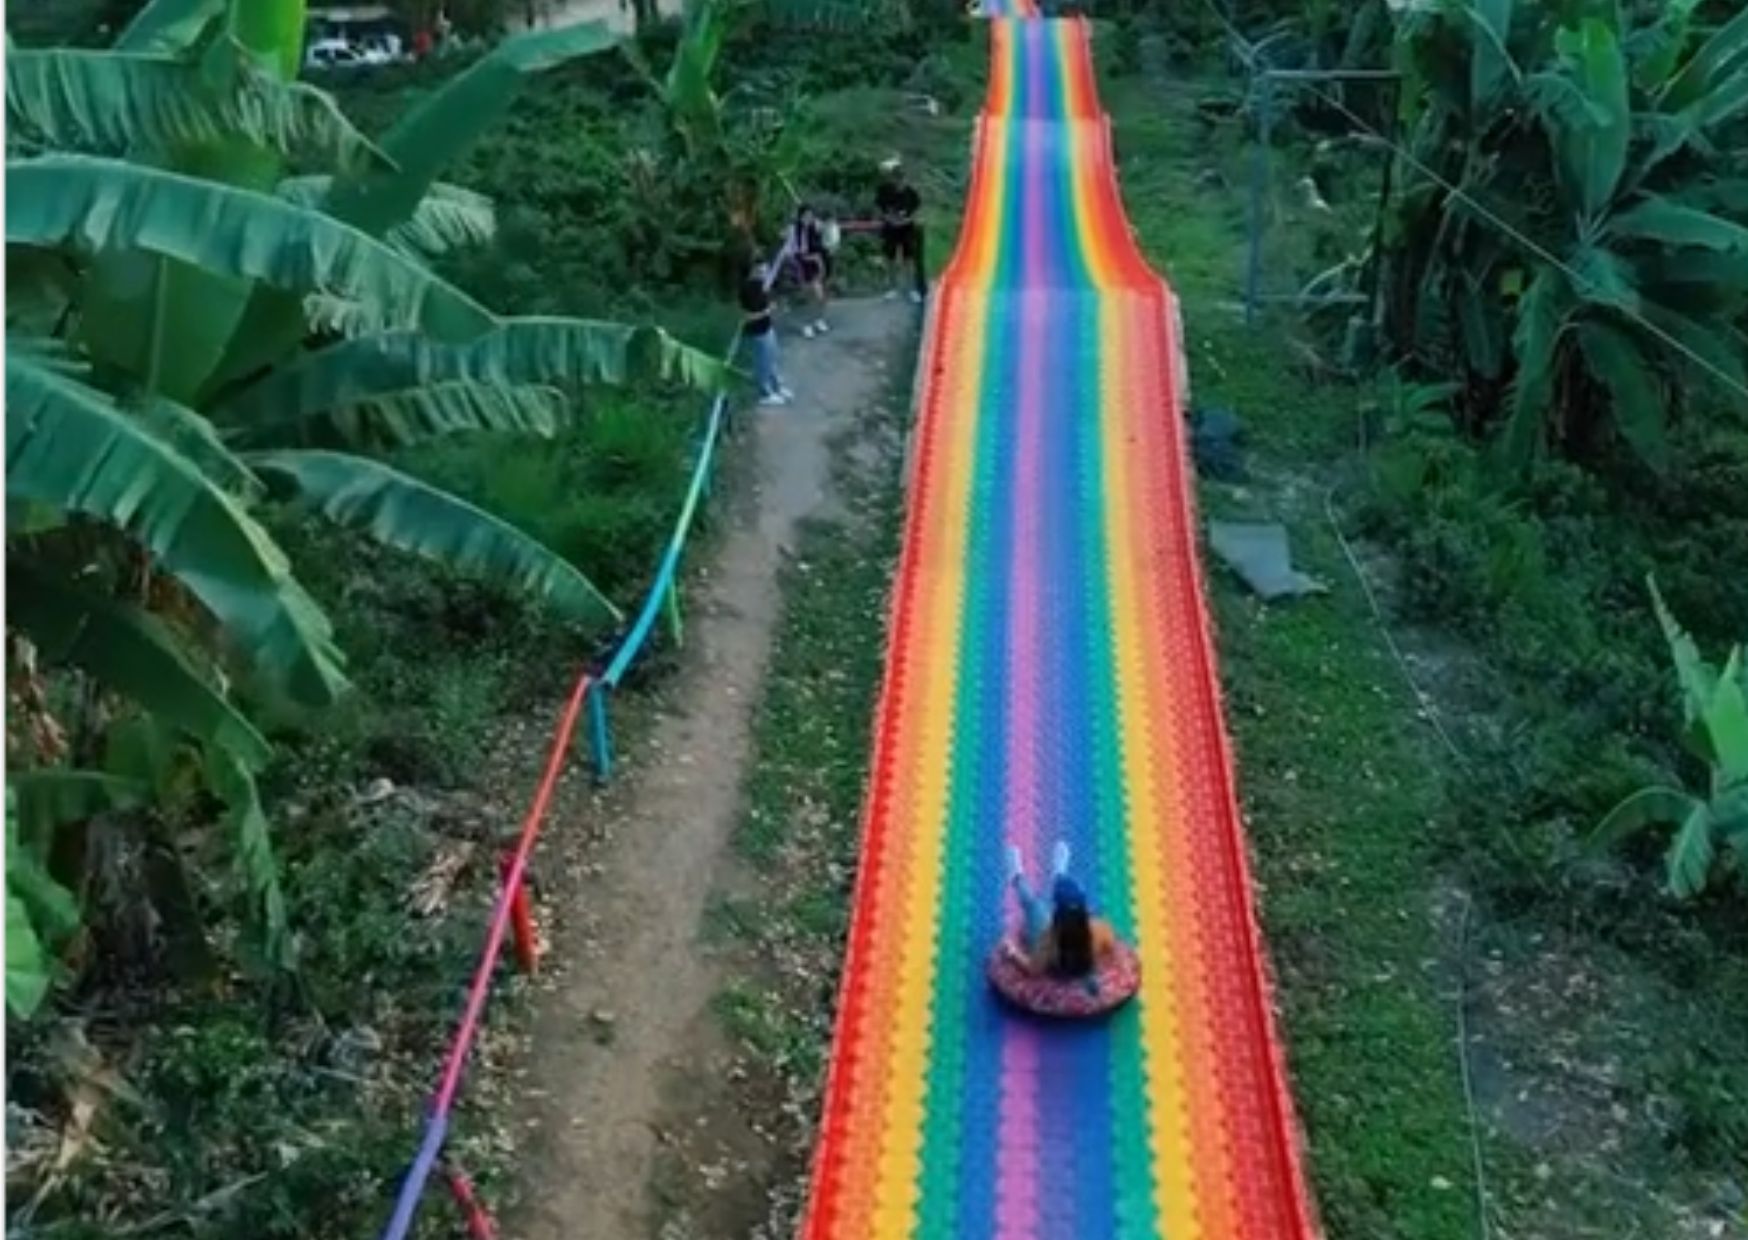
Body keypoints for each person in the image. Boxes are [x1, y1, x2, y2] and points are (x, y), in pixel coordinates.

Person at [1005, 841, 1118, 985]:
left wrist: (1012, 953)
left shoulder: (1048, 939)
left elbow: (1032, 969)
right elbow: (1112, 951)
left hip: (1053, 957)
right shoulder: (1100, 928)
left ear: (1057, 913)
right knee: (1039, 905)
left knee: (1034, 905)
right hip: (1076, 960)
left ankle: (1016, 876)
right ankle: (1059, 873)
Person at [739, 259, 791, 406]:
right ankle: (765, 393)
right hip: (757, 331)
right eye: (761, 271)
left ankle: (777, 387)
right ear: (753, 271)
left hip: (767, 328)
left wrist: (771, 308)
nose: (764, 274)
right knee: (763, 363)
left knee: (773, 359)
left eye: (766, 271)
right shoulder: (747, 289)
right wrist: (768, 311)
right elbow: (748, 316)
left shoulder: (760, 286)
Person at [875, 156, 926, 304]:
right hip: (890, 229)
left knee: (908, 260)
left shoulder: (911, 193)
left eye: (902, 180)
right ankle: (892, 288)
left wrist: (906, 220)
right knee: (889, 259)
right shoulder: (885, 191)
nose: (899, 183)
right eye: (896, 180)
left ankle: (911, 289)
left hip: (907, 229)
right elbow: (879, 208)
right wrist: (889, 219)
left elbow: (917, 211)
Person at [787, 204, 832, 339]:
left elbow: (827, 239)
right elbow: (793, 251)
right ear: (800, 217)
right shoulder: (794, 230)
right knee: (809, 295)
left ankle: (818, 320)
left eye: (811, 215)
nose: (809, 218)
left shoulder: (816, 227)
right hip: (802, 264)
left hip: (818, 263)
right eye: (806, 216)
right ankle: (806, 324)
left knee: (821, 295)